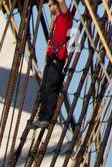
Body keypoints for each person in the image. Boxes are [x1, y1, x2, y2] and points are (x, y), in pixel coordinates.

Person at [28, 0, 74, 131]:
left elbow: (62, 2)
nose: (49, 8)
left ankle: (47, 119)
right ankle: (41, 117)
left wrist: (60, 2)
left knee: (51, 88)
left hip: (57, 61)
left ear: (56, 5)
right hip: (50, 61)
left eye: (50, 6)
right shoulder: (57, 20)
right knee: (43, 89)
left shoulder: (65, 18)